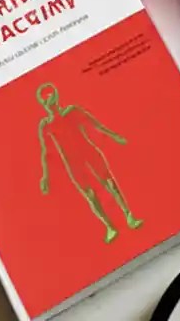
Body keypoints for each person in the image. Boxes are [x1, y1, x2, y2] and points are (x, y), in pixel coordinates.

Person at [36, 83, 143, 244]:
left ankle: (129, 216)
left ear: (57, 98)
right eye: (47, 102)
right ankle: (110, 227)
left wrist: (114, 136)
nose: (51, 104)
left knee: (109, 184)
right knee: (91, 195)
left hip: (89, 153)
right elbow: (46, 151)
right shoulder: (46, 125)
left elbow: (95, 124)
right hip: (73, 163)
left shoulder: (72, 111)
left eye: (52, 99)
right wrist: (45, 176)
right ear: (44, 105)